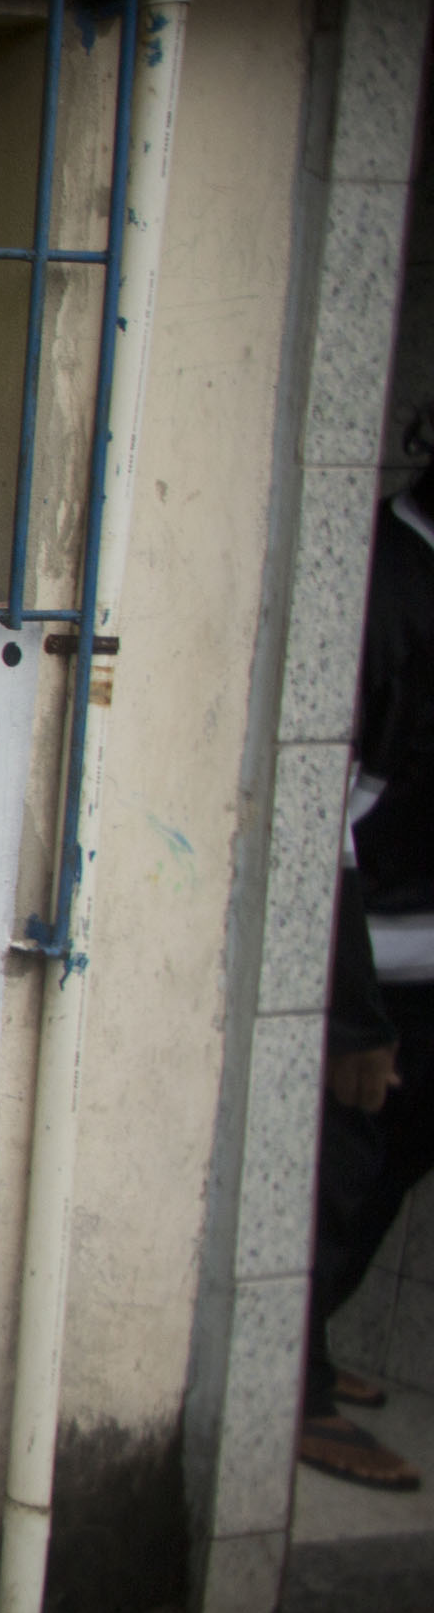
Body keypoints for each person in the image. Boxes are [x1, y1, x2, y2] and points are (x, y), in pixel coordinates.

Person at [307, 477, 434, 1487]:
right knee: (339, 1176)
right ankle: (291, 1381)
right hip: (375, 953)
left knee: (389, 1167)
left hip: (414, 943)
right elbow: (328, 816)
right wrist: (354, 1015)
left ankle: (309, 1348)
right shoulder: (389, 589)